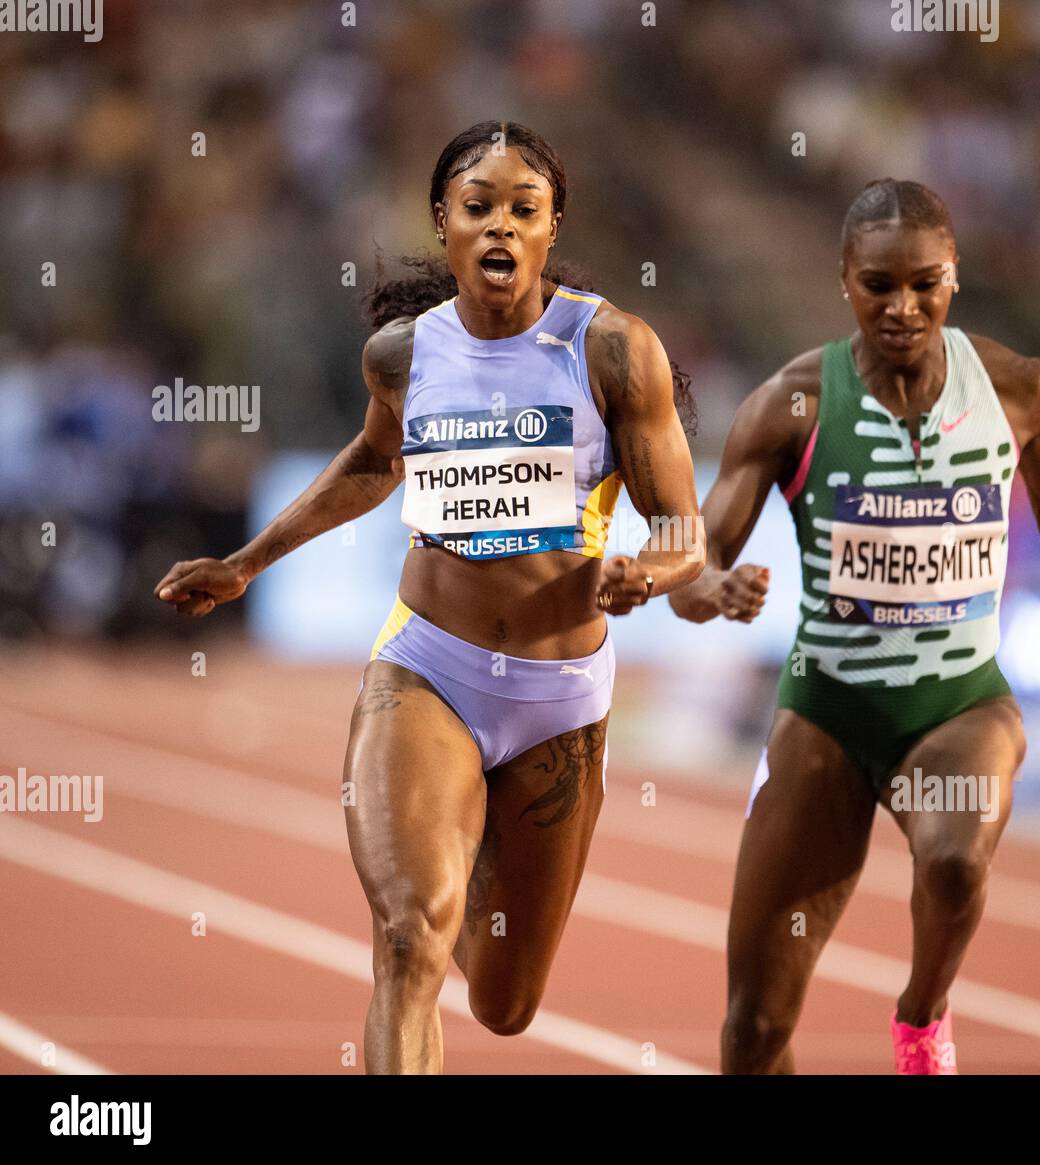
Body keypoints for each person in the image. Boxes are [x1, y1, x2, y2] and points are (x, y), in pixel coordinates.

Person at [155, 121, 704, 1073]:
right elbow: (375, 461)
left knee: (503, 1001)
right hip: (427, 669)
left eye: (522, 211)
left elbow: (684, 530)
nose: (500, 227)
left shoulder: (612, 349)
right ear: (443, 223)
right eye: (478, 207)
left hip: (557, 697)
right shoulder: (403, 355)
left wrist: (647, 571)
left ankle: (472, 847)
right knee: (410, 940)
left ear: (550, 227)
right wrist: (247, 561)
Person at [669, 178, 1040, 1075]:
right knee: (754, 1031)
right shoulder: (788, 405)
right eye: (880, 286)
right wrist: (707, 589)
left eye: (927, 284)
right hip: (827, 714)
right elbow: (693, 553)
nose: (904, 308)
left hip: (957, 707)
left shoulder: (1019, 388)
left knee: (953, 865)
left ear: (955, 278)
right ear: (845, 280)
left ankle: (922, 1017)